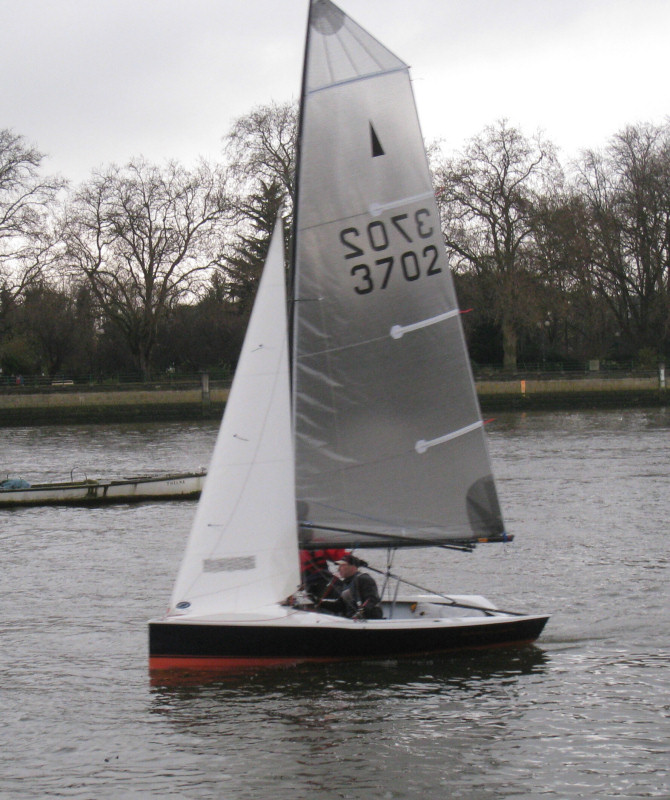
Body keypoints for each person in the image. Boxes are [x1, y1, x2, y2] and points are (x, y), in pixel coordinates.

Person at [329, 554, 383, 619]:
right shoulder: (346, 583)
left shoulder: (364, 579)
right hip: (351, 620)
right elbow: (339, 606)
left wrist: (359, 614)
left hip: (366, 621)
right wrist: (320, 603)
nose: (338, 569)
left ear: (353, 567)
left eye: (342, 565)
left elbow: (371, 600)